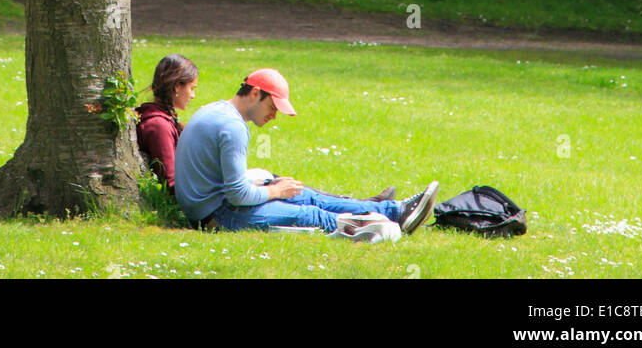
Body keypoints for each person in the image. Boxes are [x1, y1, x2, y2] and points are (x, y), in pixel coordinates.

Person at [174, 66, 439, 241]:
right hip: (216, 217)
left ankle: (395, 210)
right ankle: (383, 227)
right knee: (309, 215)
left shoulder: (220, 111)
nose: (274, 115)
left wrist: (265, 186)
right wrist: (275, 191)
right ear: (255, 93)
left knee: (303, 194)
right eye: (273, 106)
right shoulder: (233, 127)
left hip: (215, 204)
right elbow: (237, 195)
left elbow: (225, 183)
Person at [135, 54, 198, 198]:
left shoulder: (164, 118)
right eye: (192, 88)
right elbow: (171, 184)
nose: (193, 95)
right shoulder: (159, 126)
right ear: (177, 87)